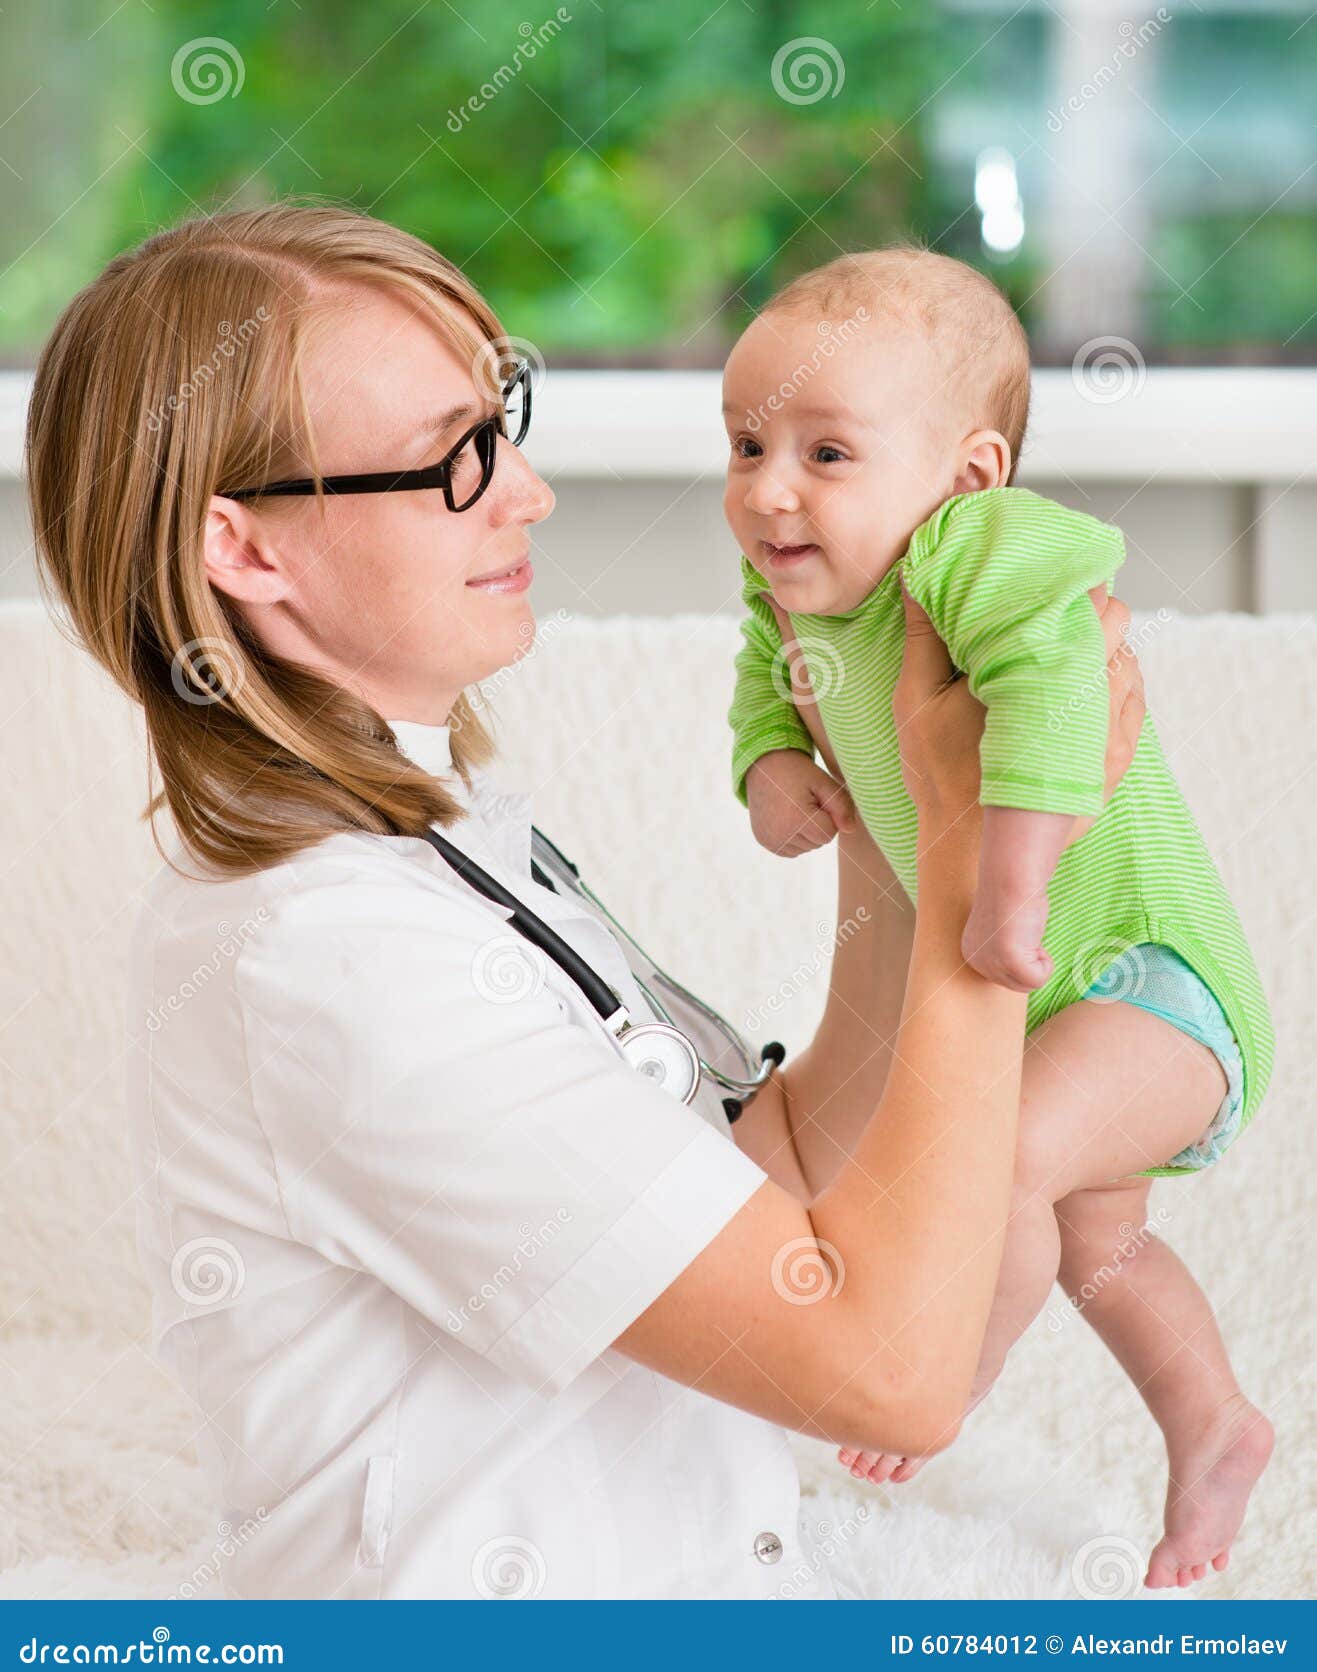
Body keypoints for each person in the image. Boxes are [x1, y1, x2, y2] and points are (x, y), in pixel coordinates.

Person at [25, 204, 1142, 1600]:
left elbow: (769, 1175)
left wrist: (895, 802)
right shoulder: (330, 957)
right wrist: (989, 899)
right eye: (453, 455)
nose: (526, 490)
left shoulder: (456, 837)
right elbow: (887, 1372)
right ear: (244, 550)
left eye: (506, 415)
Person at [723, 245, 1274, 1589]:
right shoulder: (791, 580)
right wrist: (770, 770)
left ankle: (939, 1371)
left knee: (999, 1163)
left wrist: (1009, 878)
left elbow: (1056, 691)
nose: (767, 489)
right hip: (1053, 1001)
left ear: (963, 473)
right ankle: (1212, 1422)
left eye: (825, 452)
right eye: (744, 442)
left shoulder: (984, 550)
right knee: (1103, 1244)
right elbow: (765, 679)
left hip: (1152, 983)